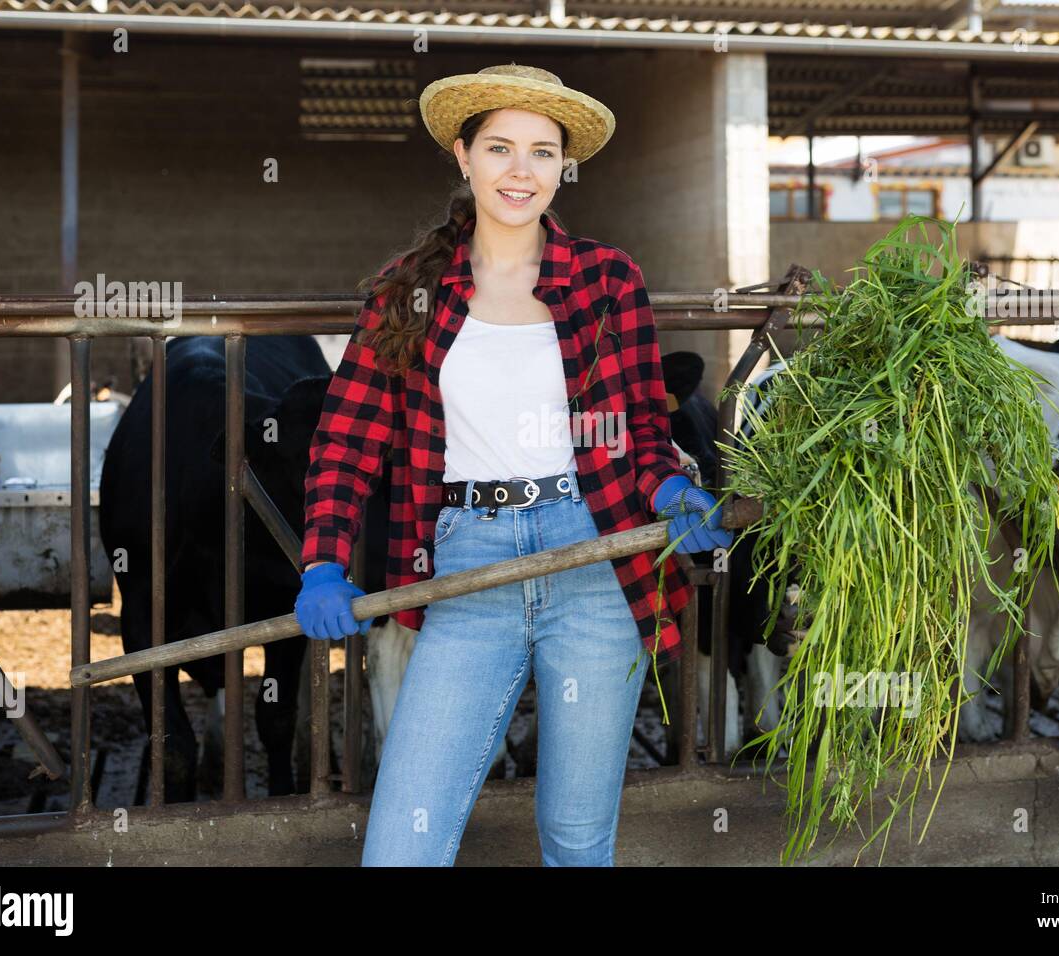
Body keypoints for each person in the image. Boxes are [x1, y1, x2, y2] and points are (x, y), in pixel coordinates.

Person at [294, 63, 732, 866]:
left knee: (575, 841)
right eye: (500, 148)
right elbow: (348, 440)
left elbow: (632, 426)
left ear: (564, 167)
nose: (520, 171)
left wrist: (668, 484)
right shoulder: (407, 292)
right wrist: (323, 559)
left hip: (596, 557)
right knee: (400, 846)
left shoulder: (607, 280)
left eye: (542, 151)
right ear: (463, 157)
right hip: (469, 561)